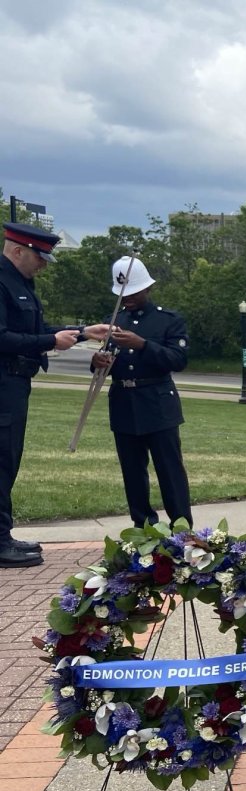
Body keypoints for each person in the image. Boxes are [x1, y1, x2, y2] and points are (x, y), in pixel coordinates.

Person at [0, 222, 110, 567]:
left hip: (16, 383)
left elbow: (36, 331)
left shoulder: (22, 284)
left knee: (8, 459)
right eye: (39, 257)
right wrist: (50, 342)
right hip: (3, 382)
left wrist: (81, 333)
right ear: (18, 251)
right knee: (1, 460)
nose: (43, 265)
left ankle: (3, 534)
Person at [90, 256, 192, 529]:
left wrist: (143, 345)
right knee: (133, 473)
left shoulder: (168, 320)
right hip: (124, 402)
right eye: (123, 294)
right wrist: (97, 363)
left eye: (133, 292)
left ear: (147, 288)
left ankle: (182, 530)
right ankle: (142, 529)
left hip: (158, 403)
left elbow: (178, 360)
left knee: (170, 471)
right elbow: (106, 362)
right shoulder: (113, 321)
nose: (127, 300)